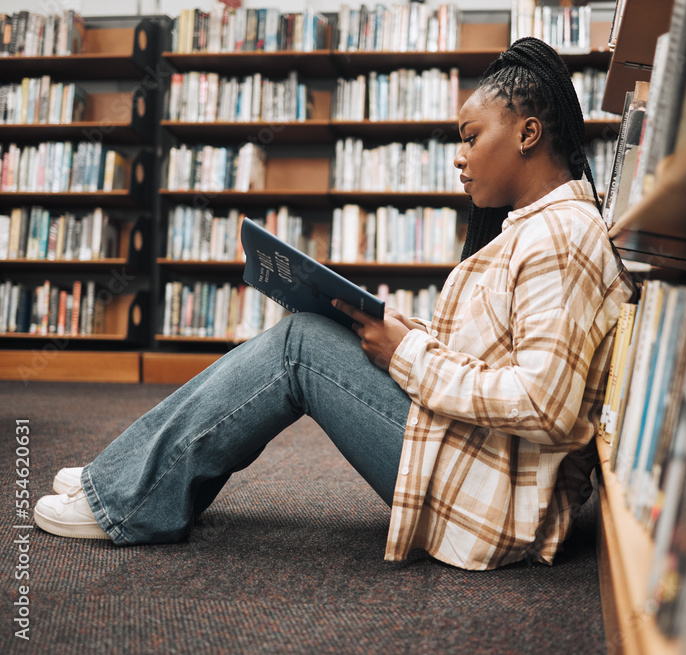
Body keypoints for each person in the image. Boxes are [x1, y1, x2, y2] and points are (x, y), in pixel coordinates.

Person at [33, 37, 636, 572]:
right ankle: (131, 476)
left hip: (488, 502)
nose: (459, 156)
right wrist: (408, 331)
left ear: (528, 133)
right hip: (471, 458)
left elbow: (544, 404)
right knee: (318, 325)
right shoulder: (539, 228)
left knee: (301, 344)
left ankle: (129, 496)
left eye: (471, 137)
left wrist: (410, 354)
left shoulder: (561, 235)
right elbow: (501, 358)